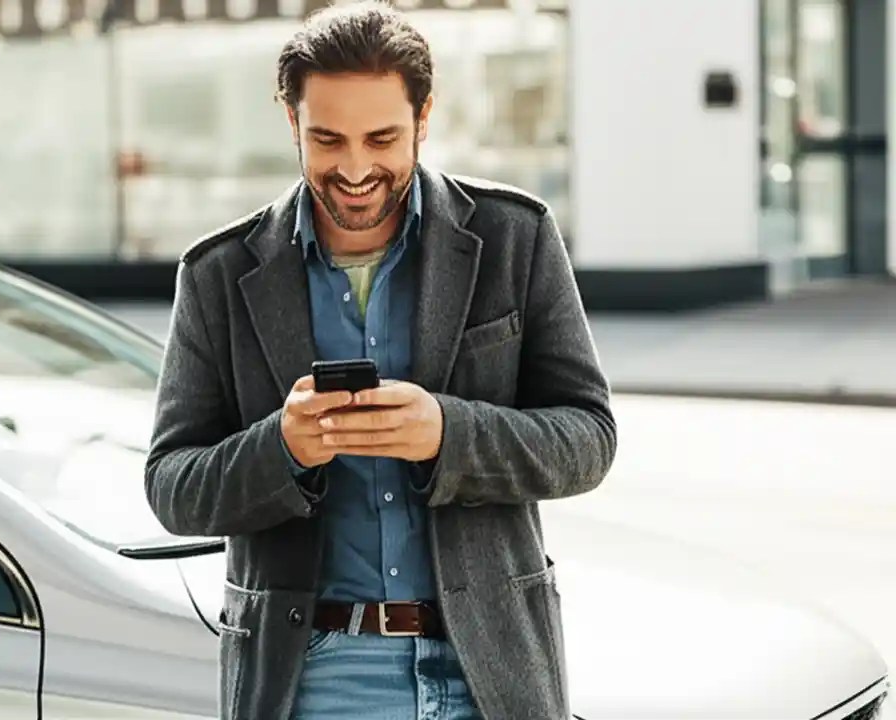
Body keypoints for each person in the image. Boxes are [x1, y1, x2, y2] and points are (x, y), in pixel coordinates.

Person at [144, 2, 617, 719]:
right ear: (291, 122)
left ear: (424, 120)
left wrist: (448, 436)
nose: (356, 168)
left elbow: (589, 438)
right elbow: (172, 485)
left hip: (489, 672)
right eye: (327, 139)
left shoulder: (515, 237)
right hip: (315, 679)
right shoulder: (217, 274)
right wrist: (283, 448)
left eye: (383, 138)